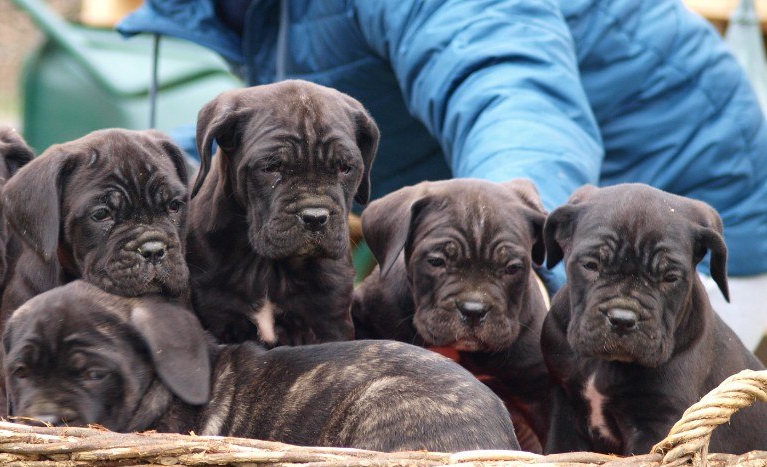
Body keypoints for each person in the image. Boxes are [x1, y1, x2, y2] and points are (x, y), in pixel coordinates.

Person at [119, 0, 767, 350]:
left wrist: (518, 253)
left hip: (682, 231)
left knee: (598, 466)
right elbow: (260, 143)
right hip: (521, 215)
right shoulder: (253, 10)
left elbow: (512, 91)